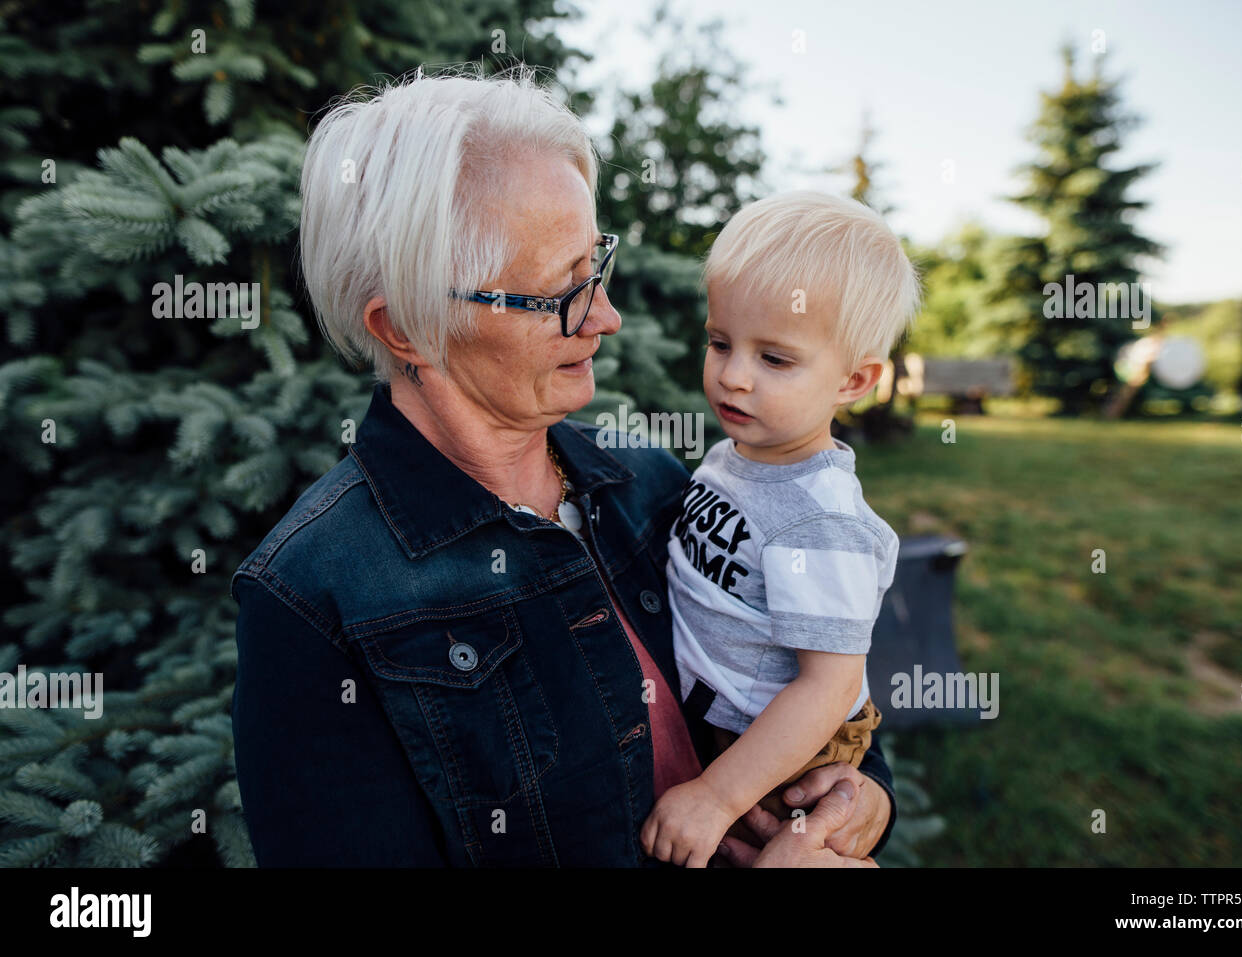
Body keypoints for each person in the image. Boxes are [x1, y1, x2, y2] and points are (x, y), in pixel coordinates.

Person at [229, 64, 897, 867]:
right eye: (561, 293)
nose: (606, 318)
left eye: (597, 267)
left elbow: (815, 678)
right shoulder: (314, 596)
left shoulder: (655, 486)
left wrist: (856, 805)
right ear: (406, 327)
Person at [642, 192, 919, 867]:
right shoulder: (737, 458)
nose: (732, 376)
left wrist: (716, 792)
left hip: (789, 747)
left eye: (775, 359)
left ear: (854, 379)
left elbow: (826, 686)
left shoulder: (821, 520)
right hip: (725, 722)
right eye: (720, 342)